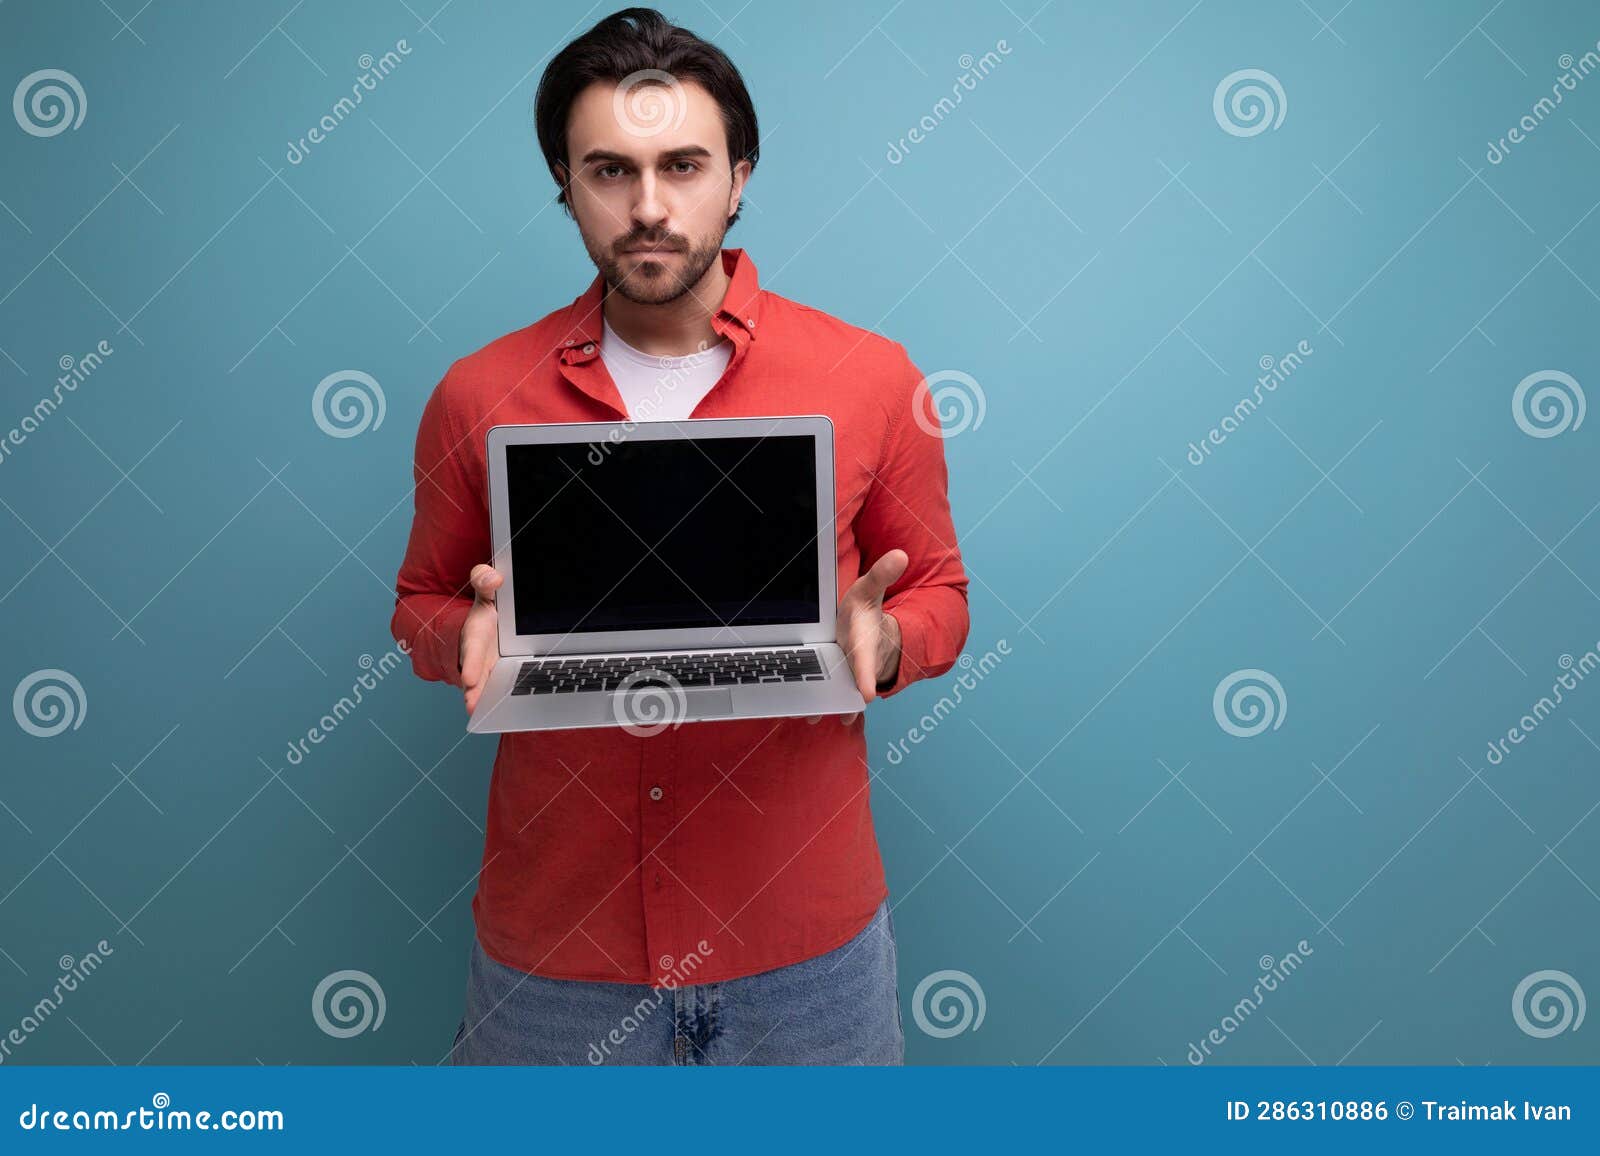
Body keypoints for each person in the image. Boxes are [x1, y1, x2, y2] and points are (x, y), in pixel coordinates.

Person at [390, 7, 969, 1065]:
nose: (648, 208)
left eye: (684, 166)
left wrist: (887, 642)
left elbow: (939, 590)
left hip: (803, 947)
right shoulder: (478, 394)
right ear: (563, 184)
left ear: (738, 176)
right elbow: (420, 600)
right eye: (608, 170)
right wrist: (457, 639)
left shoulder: (872, 377)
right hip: (558, 949)